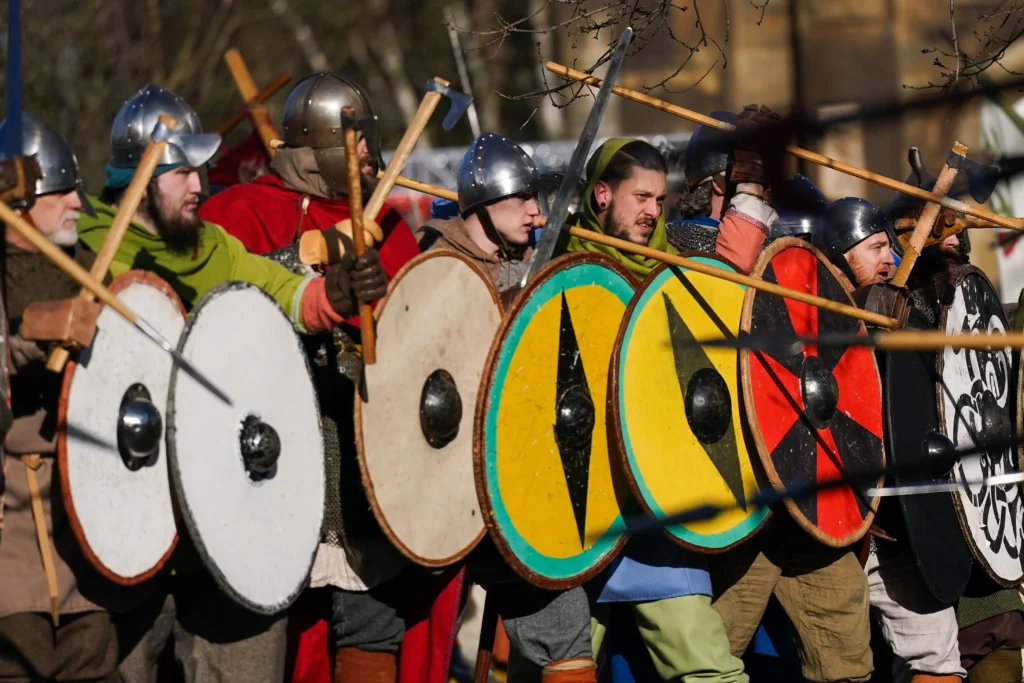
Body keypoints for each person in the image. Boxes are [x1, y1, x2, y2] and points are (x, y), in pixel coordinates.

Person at [58, 83, 387, 683]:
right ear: (134, 174)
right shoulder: (86, 254)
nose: (199, 187)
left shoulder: (212, 247)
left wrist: (329, 294)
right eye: (182, 172)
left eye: (201, 171)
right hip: (134, 530)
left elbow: (283, 291)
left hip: (231, 518)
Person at [198, 72, 433, 683]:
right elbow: (229, 303)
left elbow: (423, 328)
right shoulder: (238, 211)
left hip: (367, 453)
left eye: (366, 140)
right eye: (350, 141)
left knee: (371, 626)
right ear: (315, 143)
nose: (364, 155)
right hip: (273, 458)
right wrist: (309, 260)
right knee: (275, 636)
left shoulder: (389, 224)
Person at [564, 136, 754, 683]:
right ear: (602, 195)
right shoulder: (567, 267)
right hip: (583, 503)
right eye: (640, 197)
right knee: (557, 667)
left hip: (655, 500)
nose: (653, 212)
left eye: (659, 200)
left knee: (707, 668)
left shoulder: (671, 272)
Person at [418, 133, 598, 683]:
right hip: (445, 496)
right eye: (522, 198)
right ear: (485, 203)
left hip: (518, 497)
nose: (536, 212)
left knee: (569, 636)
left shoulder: (536, 265)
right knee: (425, 652)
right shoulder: (436, 270)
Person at [812, 196, 965, 683]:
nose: (890, 259)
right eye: (876, 246)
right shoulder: (803, 322)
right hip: (828, 529)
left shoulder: (905, 312)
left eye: (890, 247)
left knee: (939, 661)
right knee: (842, 669)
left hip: (898, 526)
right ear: (840, 255)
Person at [885, 153, 1023, 683]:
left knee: (1005, 638)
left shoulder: (982, 325)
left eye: (958, 230)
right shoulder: (893, 319)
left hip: (987, 526)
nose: (954, 237)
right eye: (937, 229)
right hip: (922, 531)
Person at [0, 113, 120, 682]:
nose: (78, 200)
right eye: (60, 189)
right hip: (8, 552)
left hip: (81, 544)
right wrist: (27, 339)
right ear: (18, 200)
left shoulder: (88, 273)